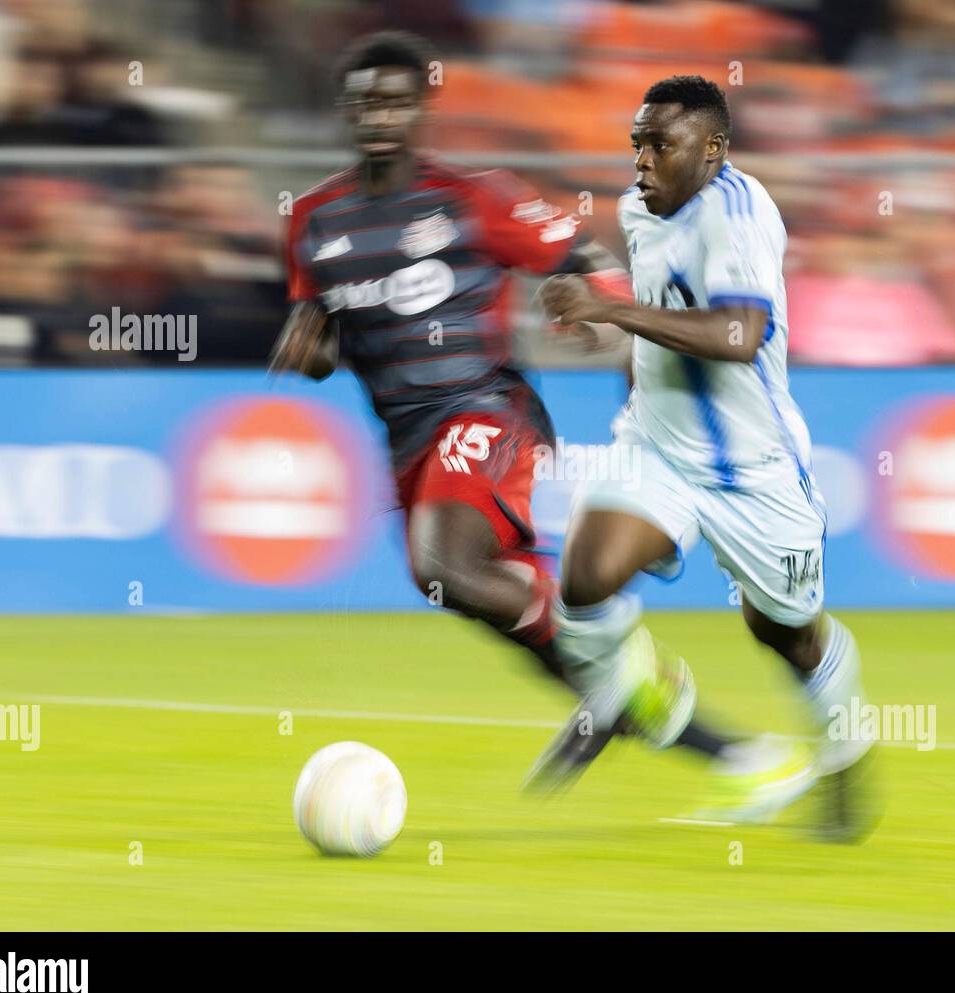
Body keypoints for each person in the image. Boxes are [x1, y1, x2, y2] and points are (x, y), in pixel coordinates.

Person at [269, 33, 737, 775]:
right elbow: (324, 341)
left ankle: (614, 649)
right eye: (365, 103)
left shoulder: (473, 197)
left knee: (446, 563)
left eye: (395, 101)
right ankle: (718, 748)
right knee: (474, 597)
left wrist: (605, 316)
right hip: (408, 442)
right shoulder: (314, 221)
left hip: (489, 410)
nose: (380, 116)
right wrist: (310, 346)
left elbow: (582, 257)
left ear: (422, 108)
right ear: (345, 112)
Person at [534, 75, 880, 838]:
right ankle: (630, 694)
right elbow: (660, 311)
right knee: (587, 578)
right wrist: (608, 333)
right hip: (658, 446)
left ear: (714, 151)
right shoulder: (637, 211)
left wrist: (609, 306)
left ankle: (846, 752)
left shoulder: (742, 212)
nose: (643, 161)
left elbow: (739, 336)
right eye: (637, 145)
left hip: (754, 471)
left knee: (786, 633)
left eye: (662, 145)